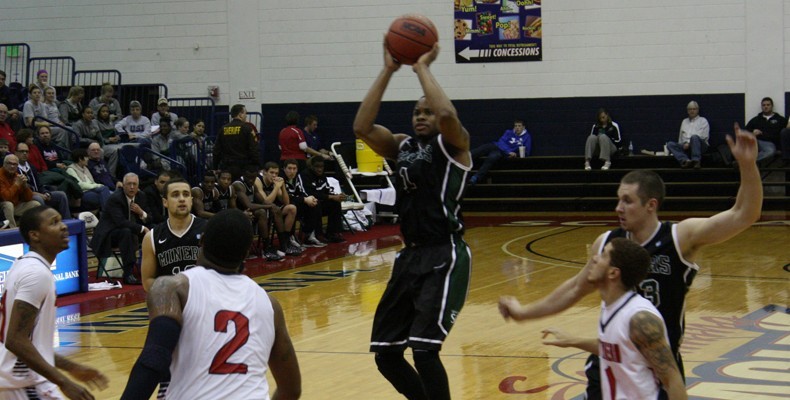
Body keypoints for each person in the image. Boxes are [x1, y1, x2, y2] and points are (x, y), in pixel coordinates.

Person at [498, 124, 762, 400]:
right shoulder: (607, 243)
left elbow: (744, 214)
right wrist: (523, 312)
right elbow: (575, 288)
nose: (618, 208)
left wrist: (747, 165)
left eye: (627, 201)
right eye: (618, 200)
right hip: (610, 361)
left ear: (651, 205)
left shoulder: (680, 237)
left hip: (657, 365)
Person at [353, 40, 472, 400]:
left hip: (444, 254)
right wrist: (388, 70)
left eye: (426, 111)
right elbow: (361, 126)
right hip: (410, 256)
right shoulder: (402, 145)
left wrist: (422, 68)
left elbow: (449, 117)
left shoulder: (456, 146)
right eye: (416, 112)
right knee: (387, 355)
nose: (421, 116)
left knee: (424, 350)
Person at [120, 209, 301, 400]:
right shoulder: (270, 305)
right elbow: (291, 390)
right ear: (247, 251)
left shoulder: (172, 287)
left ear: (202, 240)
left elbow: (154, 360)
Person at [541, 238, 687, 400]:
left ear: (613, 273)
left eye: (603, 255)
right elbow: (616, 348)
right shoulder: (610, 305)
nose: (595, 258)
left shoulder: (640, 318)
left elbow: (672, 380)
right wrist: (573, 341)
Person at [0, 205, 108, 399]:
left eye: (61, 220)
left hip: (21, 381)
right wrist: (64, 382)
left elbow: (31, 342)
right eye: (54, 223)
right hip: (25, 383)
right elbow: (15, 340)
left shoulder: (26, 266)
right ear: (35, 235)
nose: (64, 227)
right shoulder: (36, 274)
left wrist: (72, 367)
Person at [89, 172, 152, 285]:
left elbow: (150, 217)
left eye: (134, 184)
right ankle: (128, 274)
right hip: (109, 234)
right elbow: (120, 222)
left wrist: (141, 212)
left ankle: (154, 269)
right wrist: (142, 228)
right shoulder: (115, 198)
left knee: (154, 229)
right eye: (129, 184)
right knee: (126, 232)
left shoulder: (141, 196)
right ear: (123, 185)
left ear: (138, 186)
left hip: (130, 231)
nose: (132, 187)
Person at [232, 165, 281, 261]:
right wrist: (269, 206)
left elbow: (264, 202)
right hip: (237, 213)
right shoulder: (238, 184)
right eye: (248, 178)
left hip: (248, 213)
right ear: (243, 175)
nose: (251, 180)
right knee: (262, 210)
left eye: (253, 178)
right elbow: (249, 205)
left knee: (264, 212)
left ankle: (268, 248)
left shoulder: (253, 184)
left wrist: (273, 206)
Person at [15, 142, 72, 220]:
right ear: (15, 152)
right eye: (21, 151)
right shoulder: (14, 168)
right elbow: (20, 191)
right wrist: (39, 194)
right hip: (25, 197)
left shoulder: (31, 167)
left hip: (38, 193)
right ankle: (46, 225)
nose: (25, 153)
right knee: (39, 199)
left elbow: (39, 185)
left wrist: (46, 193)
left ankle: (68, 222)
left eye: (27, 151)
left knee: (61, 195)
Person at [298, 157, 345, 245]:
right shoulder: (304, 175)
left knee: (335, 203)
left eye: (321, 167)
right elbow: (308, 193)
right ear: (311, 166)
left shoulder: (323, 175)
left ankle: (332, 233)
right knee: (317, 203)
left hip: (319, 203)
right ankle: (318, 234)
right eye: (317, 167)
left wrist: (336, 196)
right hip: (306, 204)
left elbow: (327, 190)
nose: (319, 169)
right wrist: (330, 197)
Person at [468, 119, 531, 185]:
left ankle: (475, 177)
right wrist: (508, 151)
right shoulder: (508, 132)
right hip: (496, 146)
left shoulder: (527, 137)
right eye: (515, 126)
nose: (517, 128)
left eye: (519, 126)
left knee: (491, 158)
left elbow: (526, 151)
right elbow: (501, 142)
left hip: (501, 153)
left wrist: (516, 155)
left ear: (523, 127)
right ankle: (459, 160)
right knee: (479, 150)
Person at [260, 161, 302, 256]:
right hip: (260, 210)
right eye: (271, 173)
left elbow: (286, 202)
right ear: (264, 172)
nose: (274, 176)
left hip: (273, 210)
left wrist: (282, 187)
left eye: (276, 173)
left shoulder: (275, 182)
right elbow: (266, 202)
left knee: (292, 208)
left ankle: (285, 242)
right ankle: (267, 248)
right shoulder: (258, 181)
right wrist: (276, 188)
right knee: (272, 211)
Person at [282, 158, 321, 248]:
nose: (292, 171)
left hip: (295, 202)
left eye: (294, 169)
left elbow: (302, 192)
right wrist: (304, 199)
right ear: (284, 169)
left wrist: (309, 198)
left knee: (315, 204)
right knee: (293, 206)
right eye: (289, 168)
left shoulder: (297, 177)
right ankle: (290, 237)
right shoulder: (281, 178)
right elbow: (287, 198)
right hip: (284, 206)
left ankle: (308, 234)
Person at [214, 104, 258, 179]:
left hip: (226, 167)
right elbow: (253, 149)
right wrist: (257, 165)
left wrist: (215, 167)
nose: (246, 116)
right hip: (243, 167)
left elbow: (216, 150)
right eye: (245, 113)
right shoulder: (247, 128)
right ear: (240, 114)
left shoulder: (223, 129)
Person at [0, 154, 41, 228]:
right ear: (4, 164)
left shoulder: (17, 176)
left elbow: (28, 198)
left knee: (36, 204)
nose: (12, 166)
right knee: (8, 205)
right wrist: (16, 185)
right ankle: (13, 231)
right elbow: (5, 198)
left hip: (15, 206)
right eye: (10, 163)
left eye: (15, 164)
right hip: (2, 206)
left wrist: (25, 186)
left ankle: (33, 228)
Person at [666, 101, 710, 169]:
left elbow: (704, 136)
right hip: (686, 146)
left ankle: (696, 161)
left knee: (694, 137)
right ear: (687, 111)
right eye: (690, 109)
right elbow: (680, 137)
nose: (692, 111)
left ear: (698, 110)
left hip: (700, 146)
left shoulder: (703, 121)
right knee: (669, 144)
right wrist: (682, 144)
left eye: (694, 109)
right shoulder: (684, 121)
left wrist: (689, 143)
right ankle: (686, 161)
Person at [744, 97, 782, 164]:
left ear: (772, 106)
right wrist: (752, 133)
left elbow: (787, 129)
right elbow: (744, 131)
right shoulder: (756, 119)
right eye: (764, 105)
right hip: (756, 141)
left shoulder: (780, 119)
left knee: (770, 151)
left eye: (768, 105)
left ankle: (746, 162)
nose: (766, 107)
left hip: (770, 143)